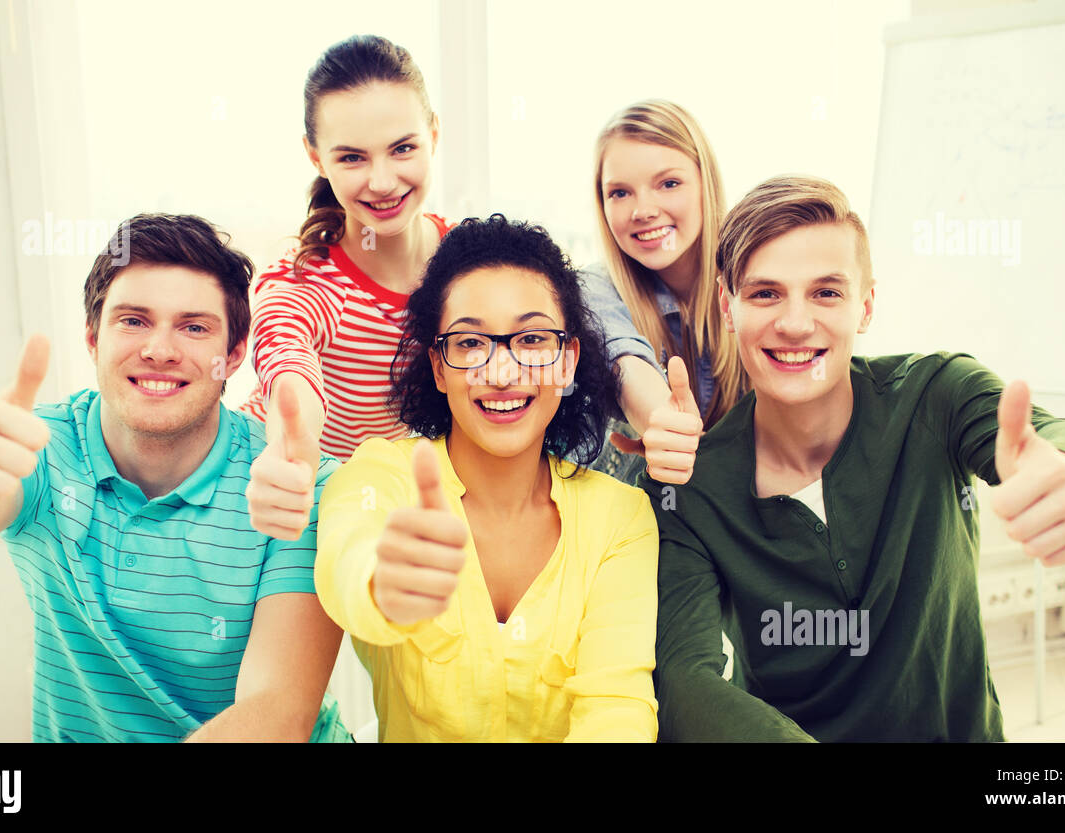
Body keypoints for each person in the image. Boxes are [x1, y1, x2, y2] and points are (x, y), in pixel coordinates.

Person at [644, 176, 1065, 742]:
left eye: (826, 292)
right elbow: (684, 681)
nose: (795, 323)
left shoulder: (937, 394)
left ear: (865, 306)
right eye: (766, 293)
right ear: (728, 306)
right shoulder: (687, 487)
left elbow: (1055, 437)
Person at [0, 214, 348, 743]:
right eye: (133, 320)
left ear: (233, 355)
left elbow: (276, 713)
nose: (159, 349)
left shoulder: (294, 484)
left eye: (194, 326)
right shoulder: (40, 448)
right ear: (92, 339)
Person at [305, 215, 659, 742]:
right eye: (470, 343)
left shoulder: (621, 518)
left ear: (568, 360)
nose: (502, 372)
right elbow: (347, 561)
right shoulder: (380, 476)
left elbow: (617, 713)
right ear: (439, 367)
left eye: (533, 339)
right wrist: (385, 585)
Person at [241, 35, 452, 536]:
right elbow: (286, 355)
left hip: (387, 504)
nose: (381, 181)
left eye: (402, 149)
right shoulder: (304, 283)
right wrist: (291, 442)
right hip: (285, 500)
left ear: (434, 136)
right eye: (352, 158)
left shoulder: (469, 262)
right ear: (316, 158)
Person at [581, 100, 744, 486]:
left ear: (706, 183)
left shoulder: (752, 281)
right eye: (620, 193)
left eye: (668, 184)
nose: (643, 210)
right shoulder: (593, 287)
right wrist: (665, 424)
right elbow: (624, 360)